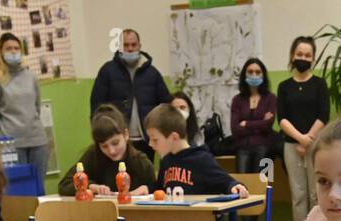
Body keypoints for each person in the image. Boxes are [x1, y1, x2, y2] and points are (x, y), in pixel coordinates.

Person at [89, 28, 171, 159]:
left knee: (144, 177)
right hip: (117, 140)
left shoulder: (152, 73)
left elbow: (166, 105)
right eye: (126, 45)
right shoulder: (107, 71)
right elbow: (97, 105)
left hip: (147, 140)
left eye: (133, 45)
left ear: (139, 46)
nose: (130, 49)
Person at [0, 32, 50, 187]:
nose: (13, 51)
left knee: (39, 186)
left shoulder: (31, 77)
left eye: (16, 48)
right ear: (1, 52)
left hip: (38, 140)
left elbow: (36, 106)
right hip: (11, 143)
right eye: (9, 48)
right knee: (19, 188)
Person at [277, 36, 329, 221]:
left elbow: (324, 115)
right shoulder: (284, 87)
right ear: (292, 56)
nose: (303, 58)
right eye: (299, 54)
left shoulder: (319, 84)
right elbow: (282, 118)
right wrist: (300, 139)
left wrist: (309, 139)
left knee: (317, 193)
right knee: (298, 195)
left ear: (313, 58)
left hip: (316, 146)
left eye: (308, 55)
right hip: (291, 146)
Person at [145, 103, 248, 196]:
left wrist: (235, 186)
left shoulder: (201, 159)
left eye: (155, 139)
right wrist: (146, 189)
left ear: (174, 137)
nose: (150, 144)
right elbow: (160, 188)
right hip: (173, 215)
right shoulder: (166, 161)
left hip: (200, 216)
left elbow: (225, 182)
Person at [57, 104, 155, 197]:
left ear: (126, 134)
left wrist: (146, 189)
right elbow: (64, 184)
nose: (111, 151)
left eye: (115, 143)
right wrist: (91, 186)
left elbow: (158, 189)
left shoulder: (141, 163)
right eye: (104, 146)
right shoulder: (93, 155)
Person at [230, 57, 277, 221]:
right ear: (244, 75)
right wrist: (256, 124)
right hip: (242, 149)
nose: (254, 76)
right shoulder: (237, 99)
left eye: (258, 72)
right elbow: (234, 128)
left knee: (261, 188)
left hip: (265, 150)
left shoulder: (270, 98)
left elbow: (269, 125)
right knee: (243, 188)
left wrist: (246, 124)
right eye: (251, 72)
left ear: (263, 75)